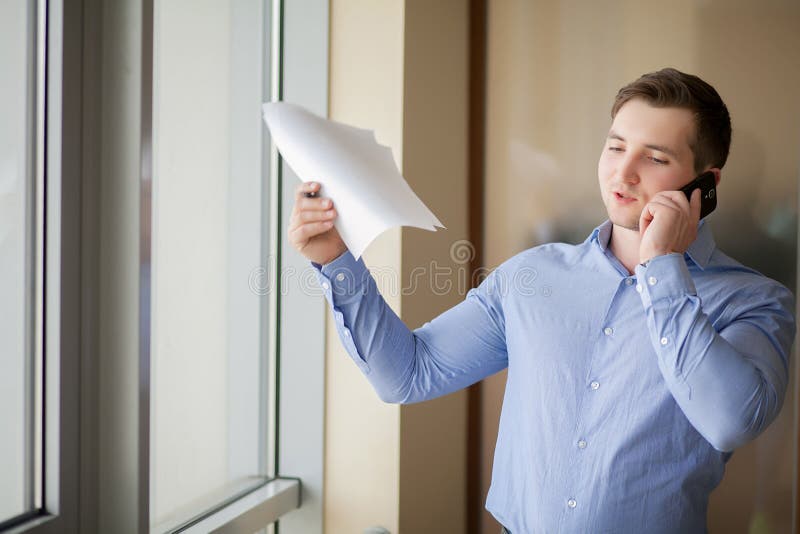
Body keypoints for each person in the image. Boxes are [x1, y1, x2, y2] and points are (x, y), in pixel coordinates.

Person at [287, 68, 796, 533]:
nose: (624, 174)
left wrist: (661, 266)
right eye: (616, 147)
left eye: (655, 158)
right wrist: (337, 262)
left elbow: (729, 421)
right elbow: (408, 374)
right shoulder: (532, 275)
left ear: (706, 184)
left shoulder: (755, 301)